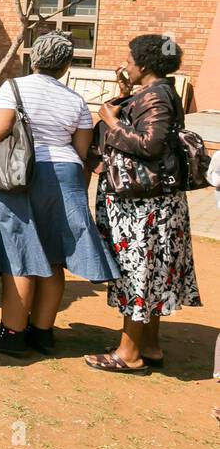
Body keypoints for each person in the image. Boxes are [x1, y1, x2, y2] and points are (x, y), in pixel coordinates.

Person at [0, 31, 120, 357]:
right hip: (65, 177)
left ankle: (13, 334)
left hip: (21, 177)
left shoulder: (14, 88)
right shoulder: (75, 99)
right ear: (65, 66)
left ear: (34, 58)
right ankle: (42, 332)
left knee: (18, 255)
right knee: (53, 258)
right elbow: (81, 151)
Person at [84, 35, 202, 373]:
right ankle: (147, 345)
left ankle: (128, 353)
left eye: (131, 60)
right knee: (149, 274)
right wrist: (124, 94)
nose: (127, 64)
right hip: (152, 203)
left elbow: (150, 145)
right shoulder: (159, 92)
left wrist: (111, 122)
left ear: (146, 65)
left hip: (144, 208)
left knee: (138, 273)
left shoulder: (156, 98)